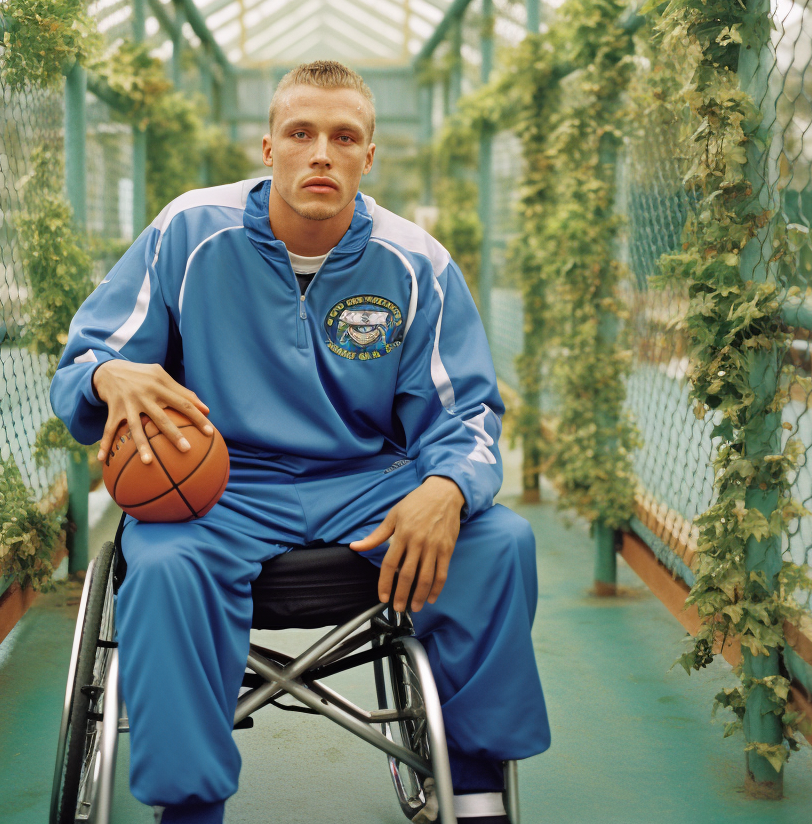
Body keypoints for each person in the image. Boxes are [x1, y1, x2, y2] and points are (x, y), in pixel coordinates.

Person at [50, 60, 550, 823]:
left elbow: (469, 413)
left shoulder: (417, 261)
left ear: (368, 156)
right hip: (222, 488)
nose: (321, 152)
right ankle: (189, 810)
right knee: (166, 566)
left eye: (343, 136)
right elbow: (82, 366)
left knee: (498, 541)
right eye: (301, 133)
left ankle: (476, 786)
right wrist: (108, 377)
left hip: (369, 483)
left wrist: (446, 488)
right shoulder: (188, 232)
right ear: (269, 147)